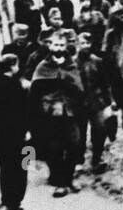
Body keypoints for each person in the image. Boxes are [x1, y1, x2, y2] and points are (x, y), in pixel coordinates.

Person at [29, 33, 85, 198]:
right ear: (50, 46)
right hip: (51, 113)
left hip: (70, 111)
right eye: (56, 45)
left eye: (62, 45)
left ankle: (68, 178)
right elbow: (34, 92)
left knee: (75, 144)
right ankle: (60, 182)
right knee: (55, 148)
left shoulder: (71, 65)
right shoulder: (43, 66)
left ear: (66, 46)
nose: (59, 48)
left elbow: (80, 87)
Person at [0, 54, 30, 210]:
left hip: (1, 133)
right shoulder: (17, 86)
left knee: (6, 167)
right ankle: (16, 202)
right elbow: (24, 111)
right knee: (23, 165)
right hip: (19, 133)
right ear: (12, 66)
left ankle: (8, 201)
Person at [75, 31, 111, 173]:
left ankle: (96, 159)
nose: (85, 46)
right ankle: (78, 160)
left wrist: (109, 102)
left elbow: (105, 83)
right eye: (82, 43)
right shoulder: (72, 62)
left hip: (96, 102)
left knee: (99, 130)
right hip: (78, 104)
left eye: (87, 43)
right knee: (79, 135)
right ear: (77, 44)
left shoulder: (97, 61)